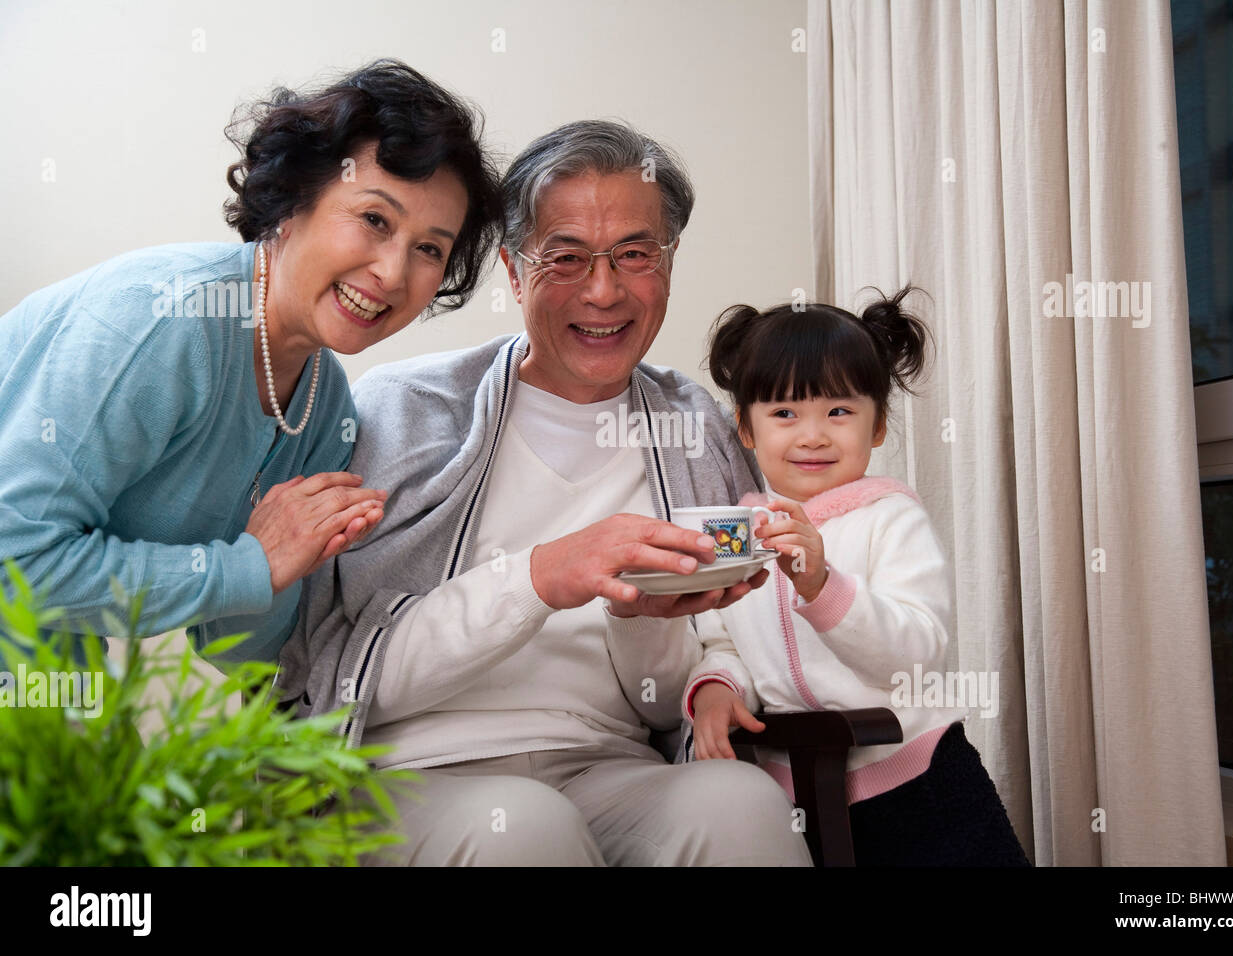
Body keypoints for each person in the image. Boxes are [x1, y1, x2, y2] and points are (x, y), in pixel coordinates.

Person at [277, 120, 814, 866]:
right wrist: (541, 577)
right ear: (513, 268)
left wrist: (644, 616)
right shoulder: (403, 411)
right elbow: (351, 672)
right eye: (565, 257)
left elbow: (669, 704)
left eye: (634, 254)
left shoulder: (697, 429)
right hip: (409, 772)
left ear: (670, 261)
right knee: (524, 825)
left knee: (742, 805)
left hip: (606, 765)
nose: (604, 290)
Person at [0, 60, 502, 663]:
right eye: (374, 219)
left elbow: (237, 651)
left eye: (428, 249)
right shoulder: (164, 323)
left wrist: (301, 565)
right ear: (294, 201)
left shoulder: (323, 406)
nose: (393, 273)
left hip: (50, 655)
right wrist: (250, 565)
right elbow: (14, 562)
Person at [684, 288, 1031, 866]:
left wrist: (823, 585)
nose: (813, 434)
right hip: (798, 787)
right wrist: (718, 687)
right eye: (784, 413)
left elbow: (915, 652)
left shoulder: (891, 518)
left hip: (916, 778)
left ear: (877, 426)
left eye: (839, 411)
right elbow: (723, 637)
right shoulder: (738, 533)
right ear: (746, 428)